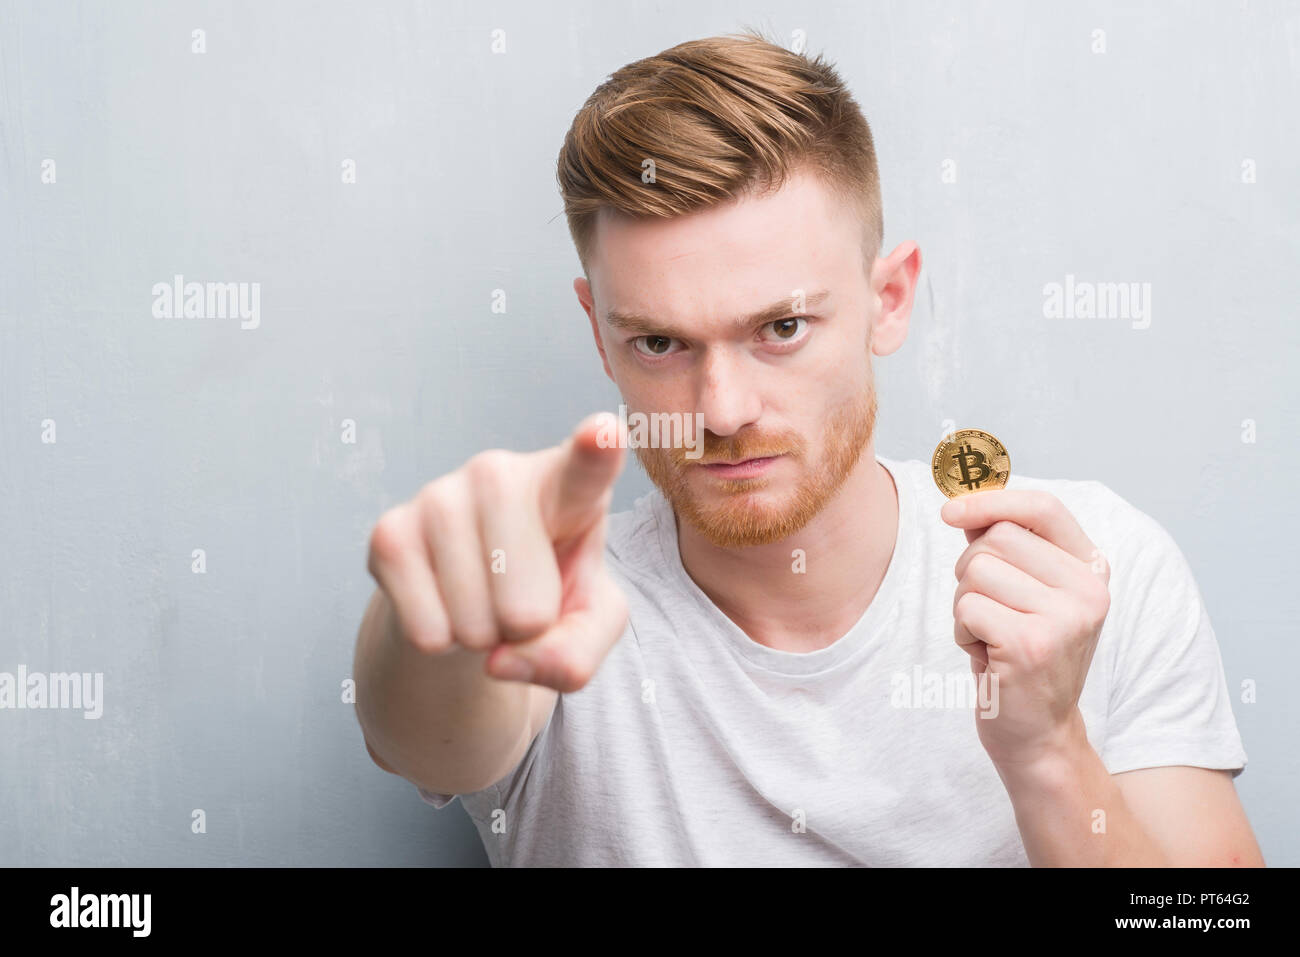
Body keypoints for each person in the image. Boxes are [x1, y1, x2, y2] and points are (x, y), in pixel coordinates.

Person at [352, 30, 1263, 866]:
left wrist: (1048, 749)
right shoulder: (561, 611)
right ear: (600, 334)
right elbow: (420, 730)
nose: (723, 408)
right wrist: (441, 617)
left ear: (889, 300)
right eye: (660, 343)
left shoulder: (1095, 571)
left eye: (781, 327)